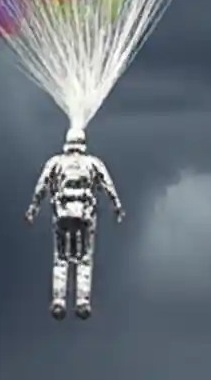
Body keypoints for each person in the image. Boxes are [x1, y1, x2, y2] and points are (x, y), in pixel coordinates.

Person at [25, 127, 124, 320]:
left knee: (61, 259)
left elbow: (42, 186)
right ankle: (82, 302)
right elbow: (107, 185)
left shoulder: (56, 163)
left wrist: (32, 209)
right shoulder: (93, 163)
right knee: (84, 259)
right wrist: (117, 207)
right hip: (85, 217)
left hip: (62, 216)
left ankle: (59, 301)